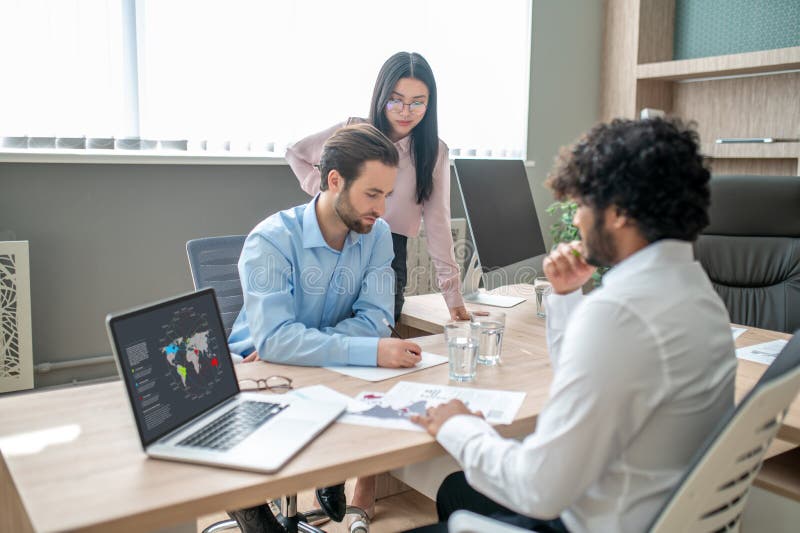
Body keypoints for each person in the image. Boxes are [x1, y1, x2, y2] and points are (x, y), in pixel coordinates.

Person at [409, 118, 738, 532]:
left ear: (617, 212)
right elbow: (593, 381)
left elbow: (538, 489)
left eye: (583, 204)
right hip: (651, 507)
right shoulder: (697, 294)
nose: (578, 219)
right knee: (458, 491)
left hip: (596, 518)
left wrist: (457, 425)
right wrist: (565, 297)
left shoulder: (621, 313)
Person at [227, 124, 422, 533]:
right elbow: (276, 342)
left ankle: (329, 466)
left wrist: (302, 344)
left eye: (387, 195)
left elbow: (377, 319)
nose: (382, 209)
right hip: (257, 370)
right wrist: (367, 348)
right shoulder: (271, 240)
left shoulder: (378, 236)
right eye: (372, 194)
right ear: (334, 181)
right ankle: (247, 502)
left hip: (328, 370)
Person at [286, 51, 469, 325]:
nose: (406, 112)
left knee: (377, 338)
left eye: (417, 103)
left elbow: (438, 227)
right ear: (382, 96)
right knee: (327, 330)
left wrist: (454, 299)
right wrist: (329, 194)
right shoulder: (355, 130)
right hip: (341, 243)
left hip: (391, 257)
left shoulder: (434, 152)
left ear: (430, 105)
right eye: (396, 100)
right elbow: (295, 153)